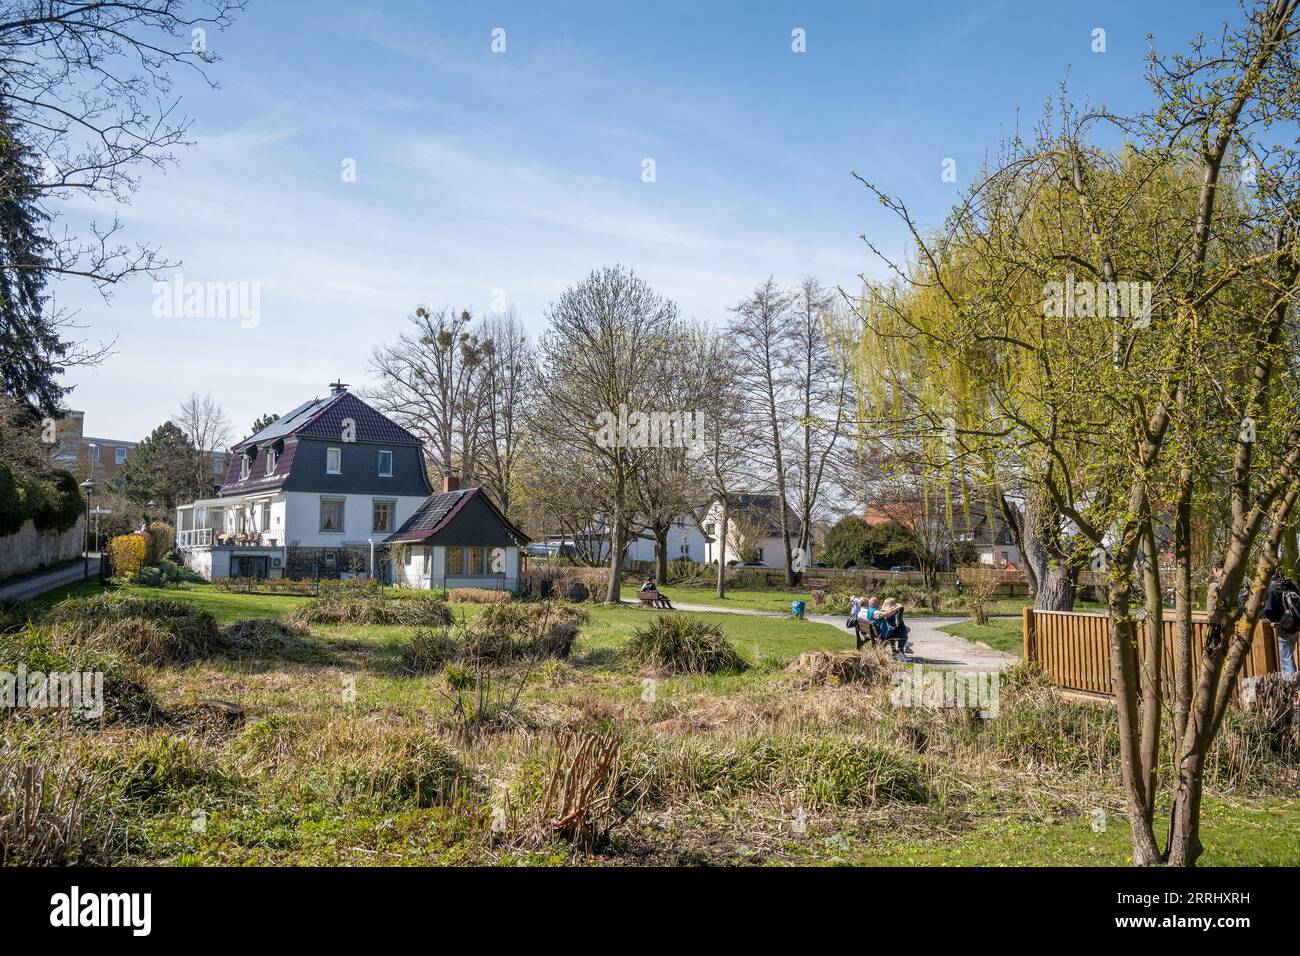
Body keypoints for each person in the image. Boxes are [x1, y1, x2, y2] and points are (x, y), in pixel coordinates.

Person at [1261, 571, 1300, 679]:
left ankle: (1294, 691)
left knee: (1287, 663)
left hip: (1281, 631)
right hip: (1294, 629)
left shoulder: (1271, 588)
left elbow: (1267, 613)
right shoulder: (1289, 584)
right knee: (1288, 659)